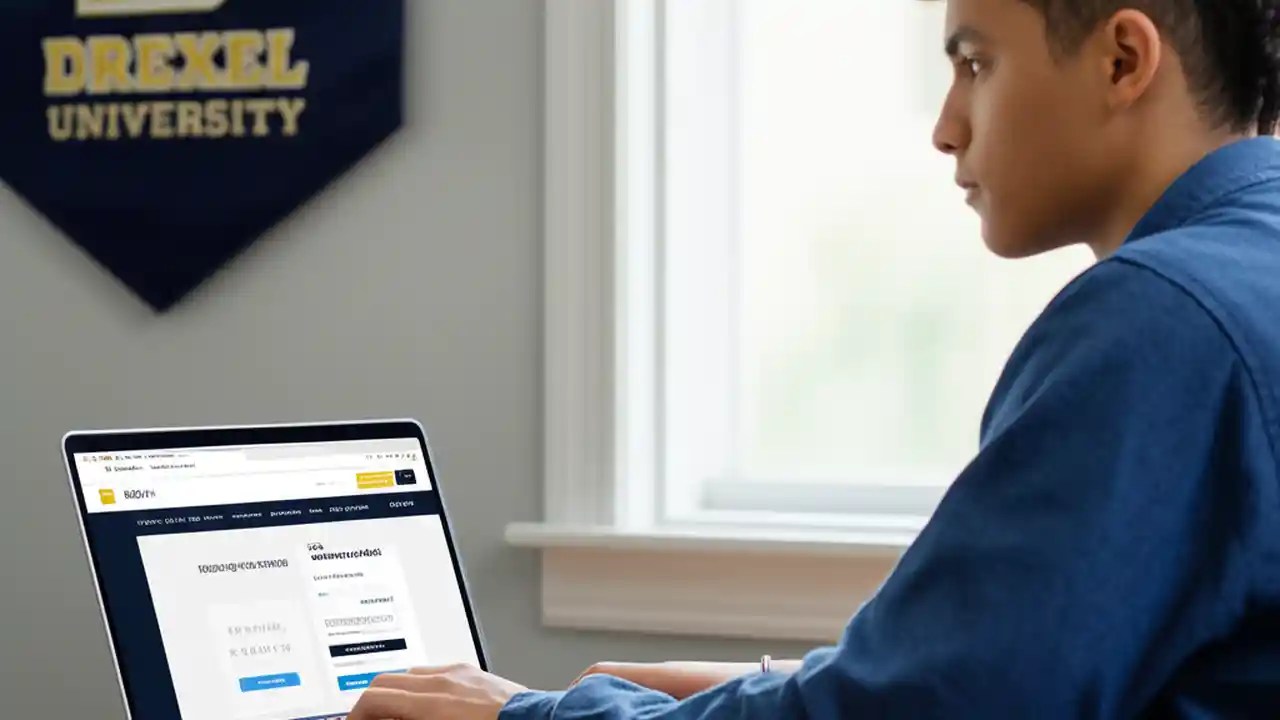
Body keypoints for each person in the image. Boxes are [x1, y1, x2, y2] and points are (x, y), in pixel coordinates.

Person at [350, 0, 1280, 717]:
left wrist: (527, 715)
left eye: (975, 63)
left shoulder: (1161, 320)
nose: (947, 125)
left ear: (1122, 60)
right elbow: (1007, 668)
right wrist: (787, 687)